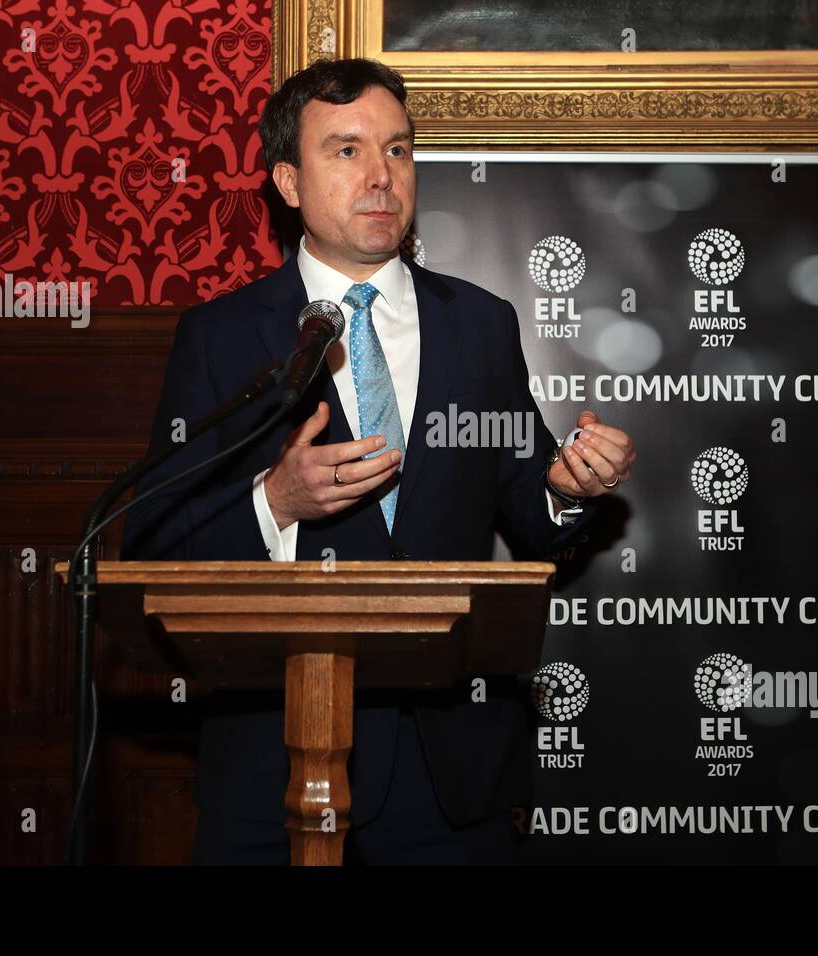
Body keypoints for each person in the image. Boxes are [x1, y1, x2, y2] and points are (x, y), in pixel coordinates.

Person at [120, 57, 636, 864]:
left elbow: (532, 513)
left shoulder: (481, 324)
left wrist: (568, 488)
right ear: (288, 182)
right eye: (347, 150)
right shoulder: (221, 336)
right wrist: (275, 503)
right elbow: (152, 544)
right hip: (274, 762)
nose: (381, 176)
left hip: (451, 769)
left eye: (397, 149)